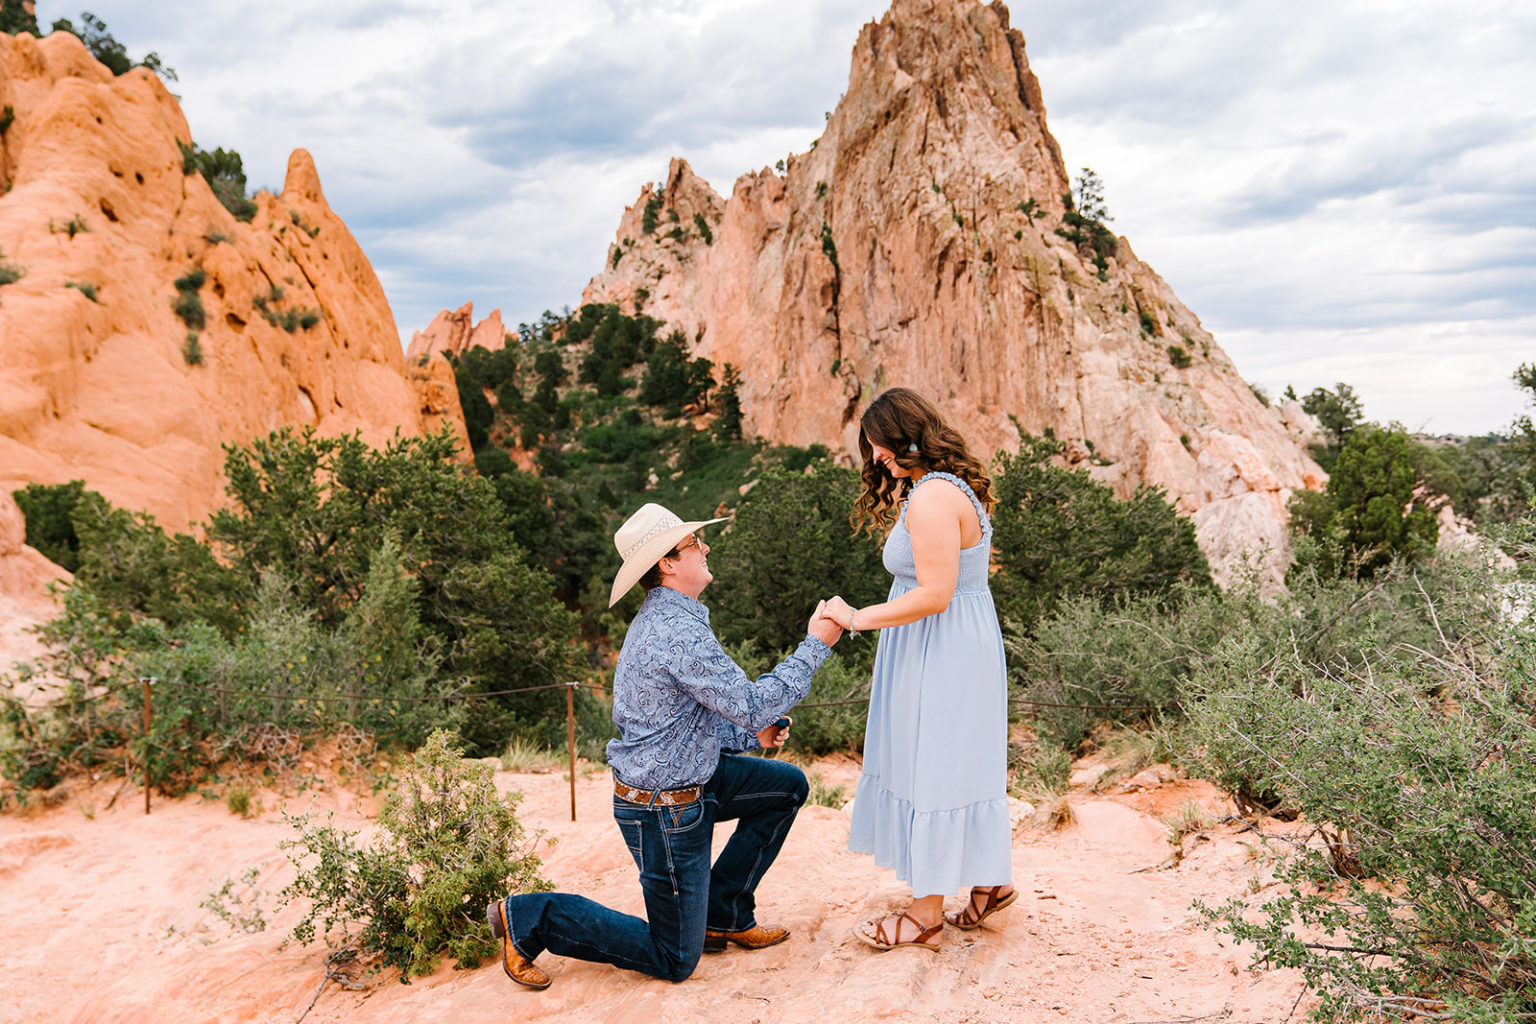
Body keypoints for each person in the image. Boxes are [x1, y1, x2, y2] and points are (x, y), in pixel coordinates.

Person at [486, 502, 844, 988]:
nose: (706, 547)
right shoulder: (675, 631)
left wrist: (749, 735)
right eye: (695, 542)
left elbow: (683, 723)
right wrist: (817, 643)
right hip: (663, 810)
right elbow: (752, 704)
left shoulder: (674, 618)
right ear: (668, 563)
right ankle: (531, 917)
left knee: (787, 788)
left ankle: (724, 913)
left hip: (690, 781)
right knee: (675, 958)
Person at [823, 387, 1014, 951]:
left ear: (906, 436)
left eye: (879, 444)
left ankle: (925, 915)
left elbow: (934, 594)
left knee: (933, 765)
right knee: (955, 762)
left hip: (941, 646)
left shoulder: (932, 498)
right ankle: (990, 881)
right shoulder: (946, 487)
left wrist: (855, 618)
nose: (876, 456)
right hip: (950, 641)